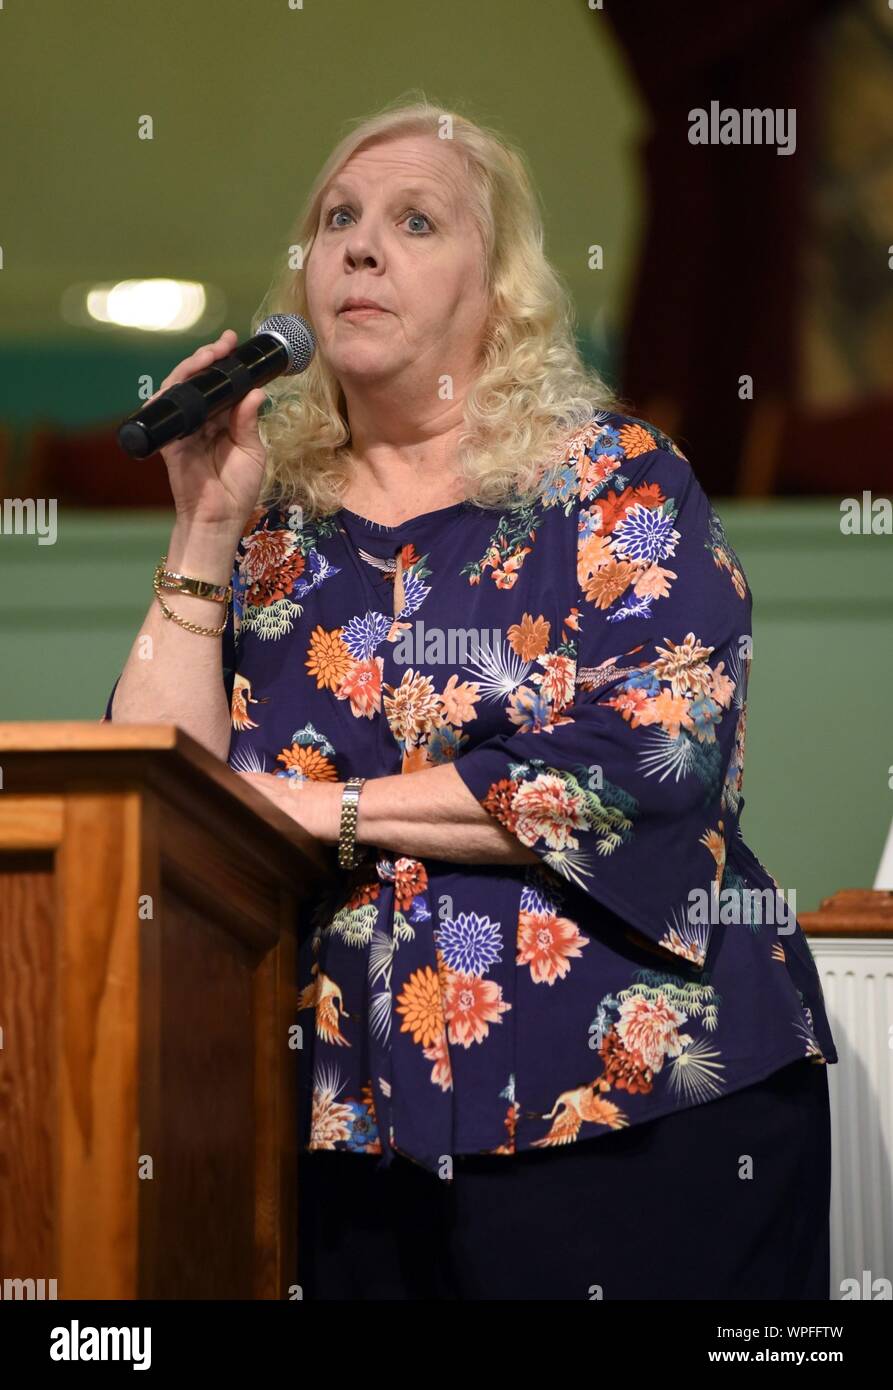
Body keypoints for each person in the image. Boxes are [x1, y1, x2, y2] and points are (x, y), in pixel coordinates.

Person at [103, 98, 838, 1301]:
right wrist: (203, 520)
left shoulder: (613, 481)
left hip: (630, 1102)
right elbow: (160, 811)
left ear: (498, 296)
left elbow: (640, 762)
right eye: (336, 218)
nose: (356, 245)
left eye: (413, 219)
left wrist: (315, 813)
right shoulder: (271, 527)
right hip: (340, 1126)